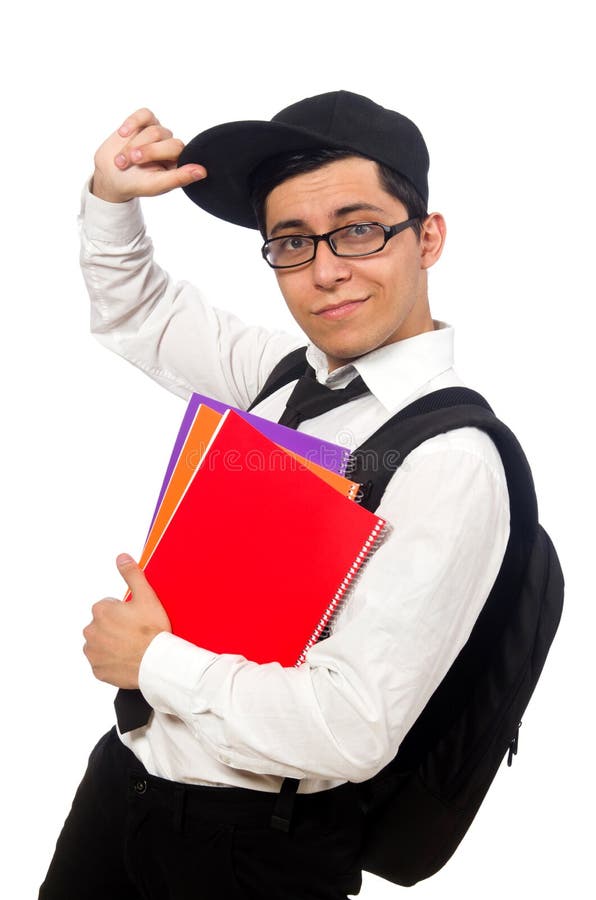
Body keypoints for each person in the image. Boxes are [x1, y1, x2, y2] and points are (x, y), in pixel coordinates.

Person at [40, 91, 510, 900]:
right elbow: (141, 310)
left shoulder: (452, 462)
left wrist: (149, 661)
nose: (326, 269)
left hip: (253, 851)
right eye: (292, 242)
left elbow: (353, 727)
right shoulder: (286, 375)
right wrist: (111, 202)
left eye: (359, 229)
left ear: (427, 238)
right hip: (125, 789)